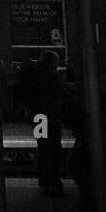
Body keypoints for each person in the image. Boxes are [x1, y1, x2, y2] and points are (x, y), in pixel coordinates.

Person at [31, 51, 65, 196]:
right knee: (54, 148)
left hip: (38, 117)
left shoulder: (36, 75)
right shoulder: (54, 76)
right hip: (50, 117)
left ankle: (44, 182)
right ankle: (54, 181)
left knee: (42, 148)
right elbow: (60, 94)